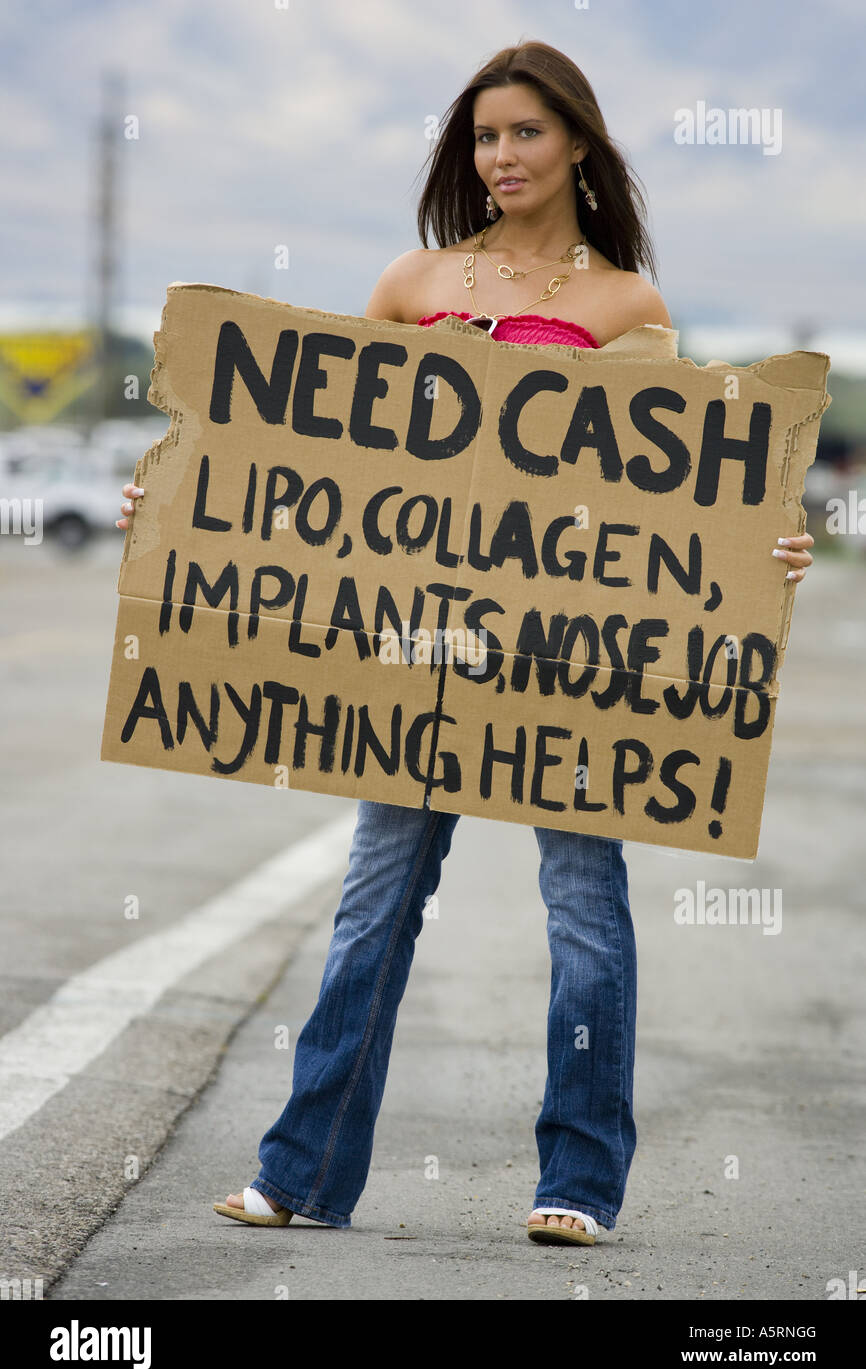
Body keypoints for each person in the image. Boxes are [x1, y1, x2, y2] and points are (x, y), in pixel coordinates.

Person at [116, 41, 815, 1246]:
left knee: (583, 906)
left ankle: (576, 1182)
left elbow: (669, 495)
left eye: (524, 133)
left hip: (560, 663)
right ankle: (304, 1172)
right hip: (414, 651)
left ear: (577, 143)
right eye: (484, 137)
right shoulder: (412, 281)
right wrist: (181, 494)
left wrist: (762, 546)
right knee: (374, 904)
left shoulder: (625, 306)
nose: (500, 156)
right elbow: (315, 455)